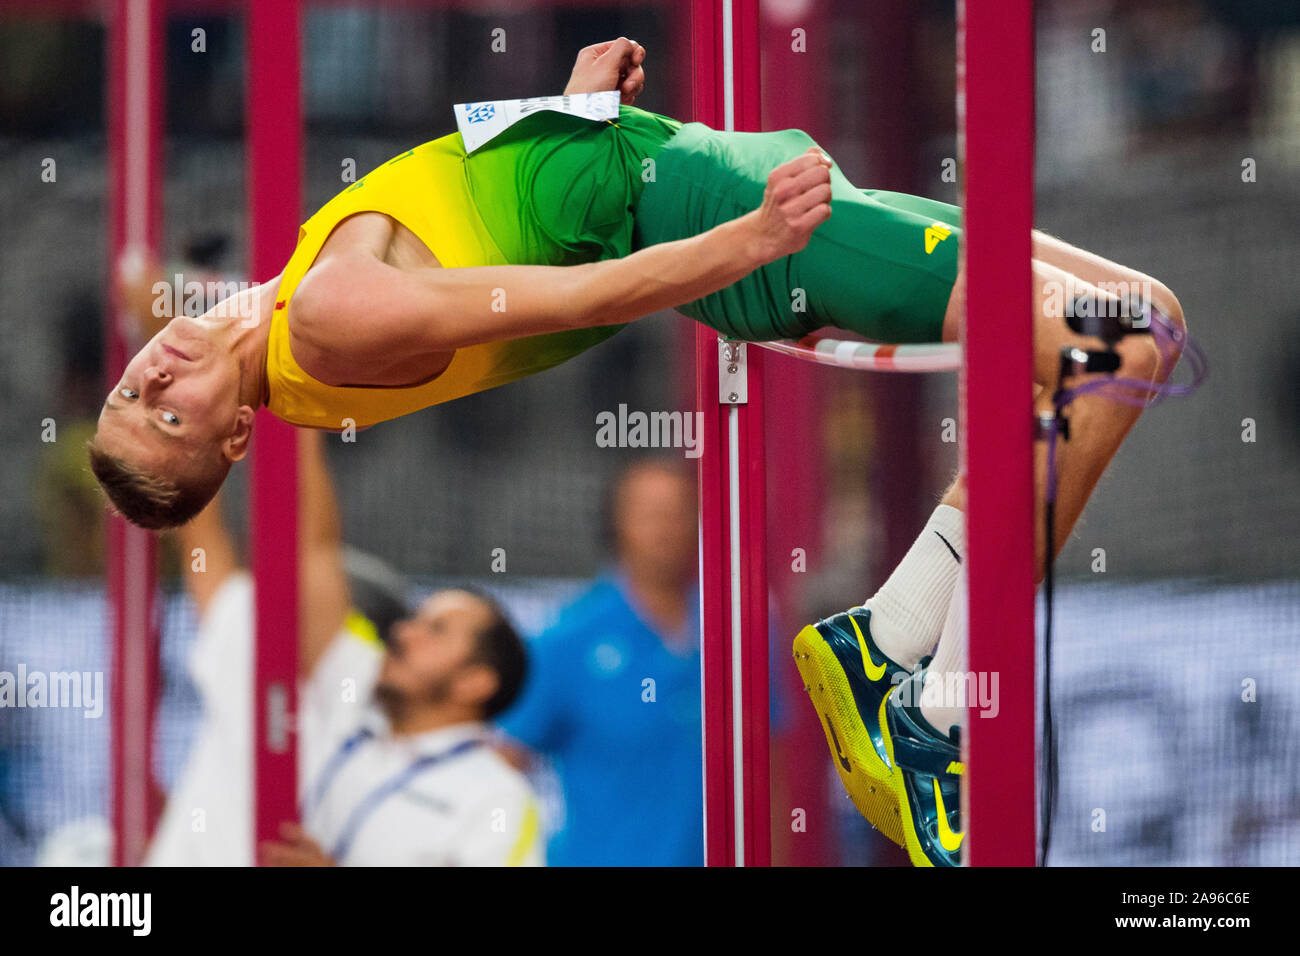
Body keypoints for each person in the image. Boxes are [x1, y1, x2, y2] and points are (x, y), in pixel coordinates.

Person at [91, 35, 1188, 866]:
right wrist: (743, 242)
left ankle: (889, 636)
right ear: (237, 436)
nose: (151, 375)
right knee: (1101, 342)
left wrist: (570, 115)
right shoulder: (325, 319)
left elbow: (479, 202)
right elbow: (564, 292)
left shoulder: (288, 299)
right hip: (725, 217)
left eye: (133, 388)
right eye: (168, 410)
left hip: (690, 186)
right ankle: (931, 709)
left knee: (1148, 312)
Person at [146, 428, 541, 866]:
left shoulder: (495, 801)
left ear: (476, 682)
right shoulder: (349, 703)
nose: (405, 634)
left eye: (437, 631)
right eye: (415, 621)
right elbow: (313, 551)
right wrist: (295, 403)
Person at [497, 458, 701, 865]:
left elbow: (771, 767)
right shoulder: (568, 638)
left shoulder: (741, 628)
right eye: (649, 514)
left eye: (679, 512)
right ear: (616, 524)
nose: (666, 528)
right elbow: (501, 766)